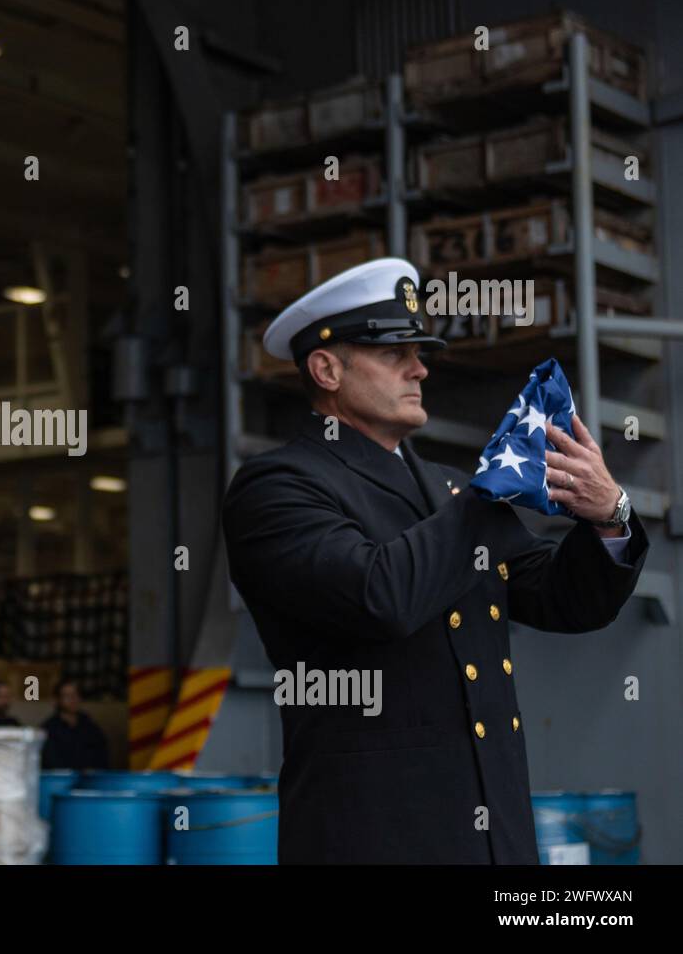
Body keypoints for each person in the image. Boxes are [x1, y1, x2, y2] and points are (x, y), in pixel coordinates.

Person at [221, 258, 648, 864]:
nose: (419, 367)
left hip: (495, 840)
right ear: (326, 368)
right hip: (377, 841)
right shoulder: (278, 487)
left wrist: (611, 515)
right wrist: (490, 494)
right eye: (394, 353)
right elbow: (380, 598)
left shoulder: (454, 493)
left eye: (419, 351)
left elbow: (564, 600)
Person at [40, 679, 108, 770]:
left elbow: (102, 757)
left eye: (75, 695)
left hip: (89, 781)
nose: (73, 699)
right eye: (67, 696)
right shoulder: (48, 729)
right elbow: (49, 763)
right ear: (57, 700)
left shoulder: (91, 727)